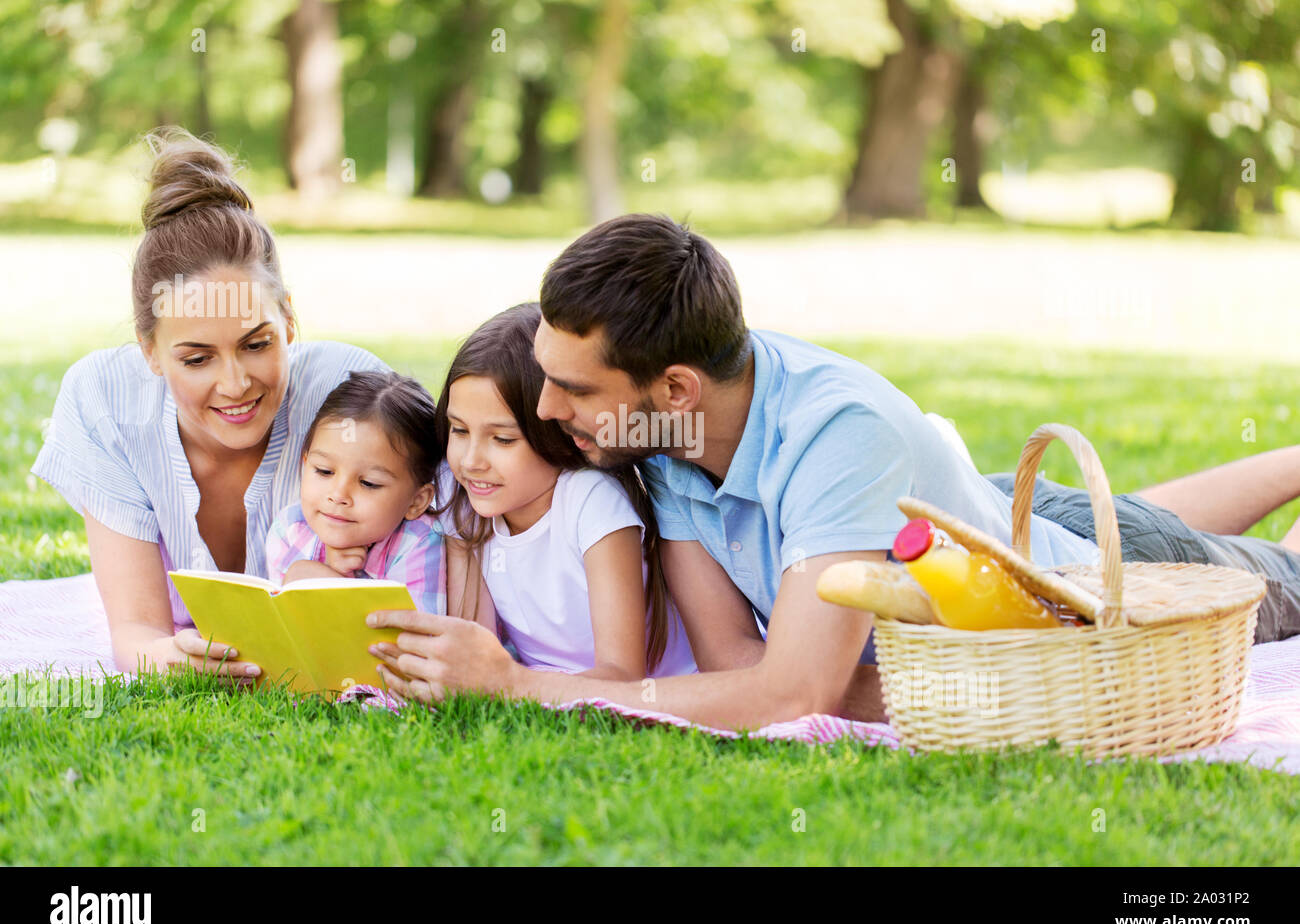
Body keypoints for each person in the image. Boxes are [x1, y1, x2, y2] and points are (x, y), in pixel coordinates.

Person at [368, 214, 1300, 729]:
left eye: (573, 388)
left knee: (1273, 579)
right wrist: (817, 670)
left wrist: (518, 685)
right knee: (1133, 511)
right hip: (996, 516)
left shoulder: (836, 433)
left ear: (675, 385)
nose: (548, 412)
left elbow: (786, 694)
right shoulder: (669, 439)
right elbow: (738, 662)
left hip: (1082, 575)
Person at [30, 128, 388, 678]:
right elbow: (137, 633)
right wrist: (174, 658)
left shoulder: (350, 393)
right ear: (149, 350)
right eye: (196, 359)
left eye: (257, 343)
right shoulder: (106, 400)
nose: (236, 384)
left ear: (288, 318)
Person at [380, 303, 696, 685]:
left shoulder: (590, 502)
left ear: (555, 431)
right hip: (538, 687)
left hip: (649, 688)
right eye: (459, 430)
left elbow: (623, 674)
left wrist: (511, 685)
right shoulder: (464, 498)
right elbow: (476, 638)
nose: (471, 460)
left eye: (502, 438)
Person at [265, 371, 446, 615]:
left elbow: (409, 640)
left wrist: (332, 583)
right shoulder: (289, 529)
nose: (338, 495)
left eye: (369, 483)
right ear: (305, 464)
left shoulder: (419, 542)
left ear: (416, 501)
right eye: (324, 471)